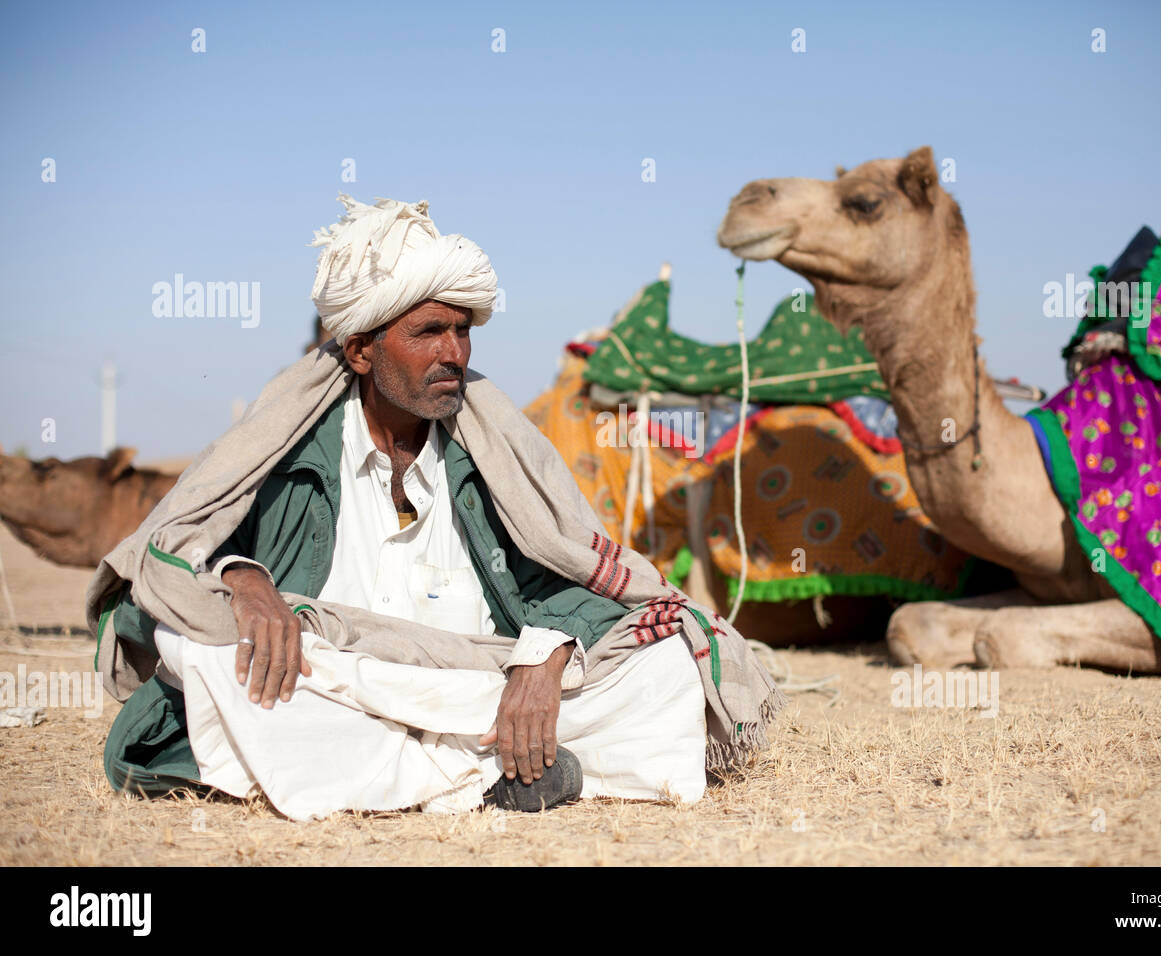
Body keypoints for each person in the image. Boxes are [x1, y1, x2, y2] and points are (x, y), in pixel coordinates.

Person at [93, 195, 782, 820]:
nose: (454, 353)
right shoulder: (286, 451)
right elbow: (169, 560)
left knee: (661, 664)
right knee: (203, 653)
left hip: (484, 679)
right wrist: (244, 578)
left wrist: (544, 657)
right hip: (337, 677)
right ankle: (490, 775)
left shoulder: (497, 451)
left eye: (463, 330)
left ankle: (403, 773)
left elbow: (579, 571)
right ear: (362, 349)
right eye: (429, 333)